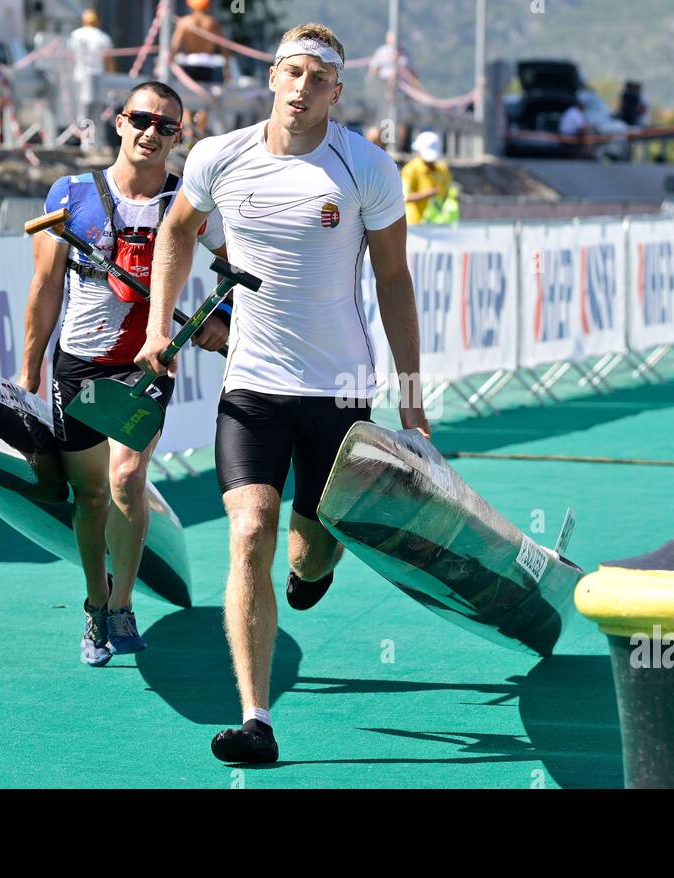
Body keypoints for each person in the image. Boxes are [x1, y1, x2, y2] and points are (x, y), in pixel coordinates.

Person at [139, 22, 429, 763]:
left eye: (318, 78)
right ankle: (256, 718)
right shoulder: (218, 156)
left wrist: (414, 400)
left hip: (337, 391)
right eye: (290, 73)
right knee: (247, 532)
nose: (301, 89)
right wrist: (154, 329)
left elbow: (393, 282)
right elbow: (177, 233)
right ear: (272, 77)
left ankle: (313, 570)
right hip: (253, 384)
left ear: (337, 91)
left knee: (309, 552)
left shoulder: (364, 168)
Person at [17, 81, 229, 668]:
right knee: (89, 495)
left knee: (127, 478)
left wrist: (221, 317)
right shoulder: (72, 194)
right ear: (119, 122)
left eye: (166, 126)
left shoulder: (187, 202)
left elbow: (235, 263)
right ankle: (94, 603)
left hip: (146, 365)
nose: (151, 133)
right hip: (78, 364)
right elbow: (44, 287)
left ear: (178, 137)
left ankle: (124, 604)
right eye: (141, 119)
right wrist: (29, 369)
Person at [67, 8, 115, 143]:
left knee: (82, 110)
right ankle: (97, 140)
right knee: (98, 110)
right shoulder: (103, 37)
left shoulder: (75, 35)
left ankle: (86, 141)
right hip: (98, 76)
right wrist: (110, 77)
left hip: (80, 76)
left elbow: (70, 57)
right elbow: (109, 60)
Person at [169, 0, 232, 86]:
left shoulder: (184, 22)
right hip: (209, 66)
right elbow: (224, 47)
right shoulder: (212, 23)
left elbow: (175, 46)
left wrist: (169, 65)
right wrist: (227, 69)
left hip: (190, 64)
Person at [402, 130, 453, 224]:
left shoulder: (443, 169)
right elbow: (404, 197)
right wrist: (427, 194)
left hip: (438, 222)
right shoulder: (410, 170)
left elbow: (448, 192)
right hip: (415, 224)